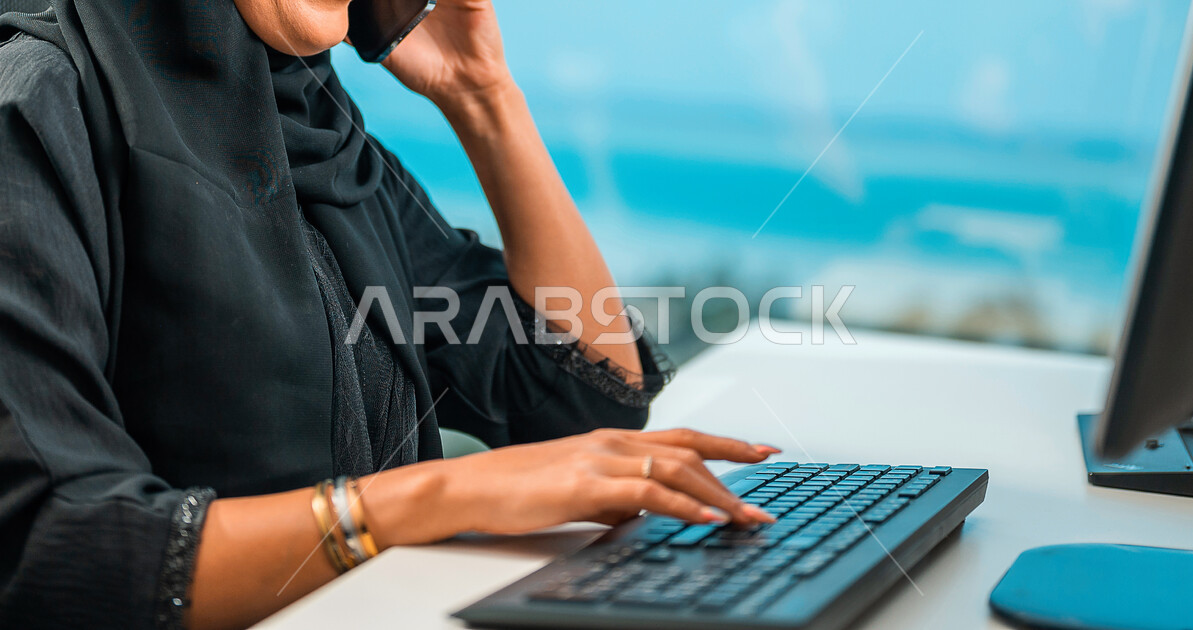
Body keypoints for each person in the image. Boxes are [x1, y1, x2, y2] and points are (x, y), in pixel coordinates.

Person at [0, 1, 779, 628]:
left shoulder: (312, 127)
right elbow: (56, 547)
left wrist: (485, 98)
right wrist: (435, 499)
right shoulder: (31, 110)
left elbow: (585, 394)